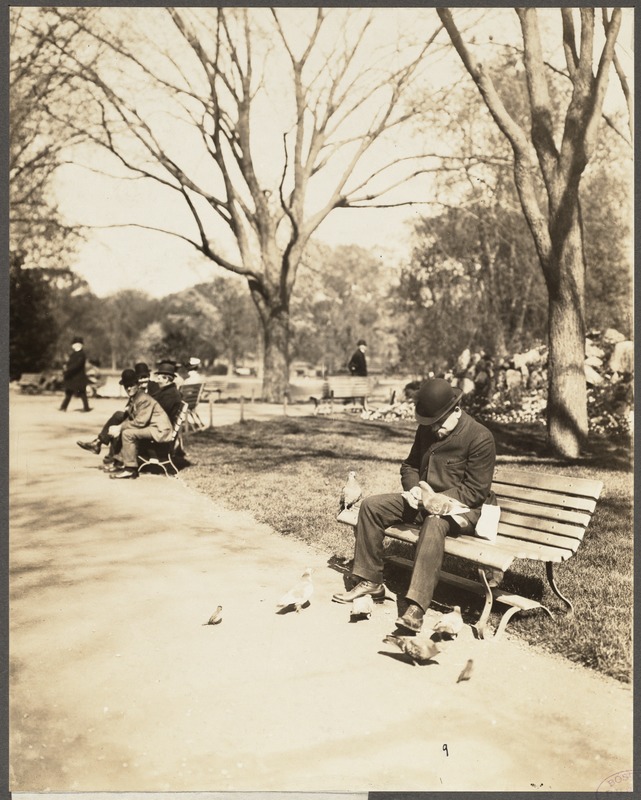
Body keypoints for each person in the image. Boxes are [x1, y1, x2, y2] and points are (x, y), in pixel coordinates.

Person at [332, 377, 496, 633]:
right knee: (372, 506)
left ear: (457, 410)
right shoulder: (427, 429)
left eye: (439, 423)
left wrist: (433, 500)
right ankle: (370, 580)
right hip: (421, 501)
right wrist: (414, 489)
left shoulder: (480, 437)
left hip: (460, 510)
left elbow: (475, 491)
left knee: (434, 522)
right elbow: (409, 466)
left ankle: (416, 608)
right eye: (431, 423)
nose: (435, 429)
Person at [107, 368, 173, 480]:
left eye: (131, 385)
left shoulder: (143, 398)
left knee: (127, 434)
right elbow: (132, 418)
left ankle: (130, 470)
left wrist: (120, 428)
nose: (128, 388)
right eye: (126, 386)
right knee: (124, 430)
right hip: (153, 427)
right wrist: (119, 427)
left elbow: (140, 422)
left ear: (137, 385)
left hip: (160, 430)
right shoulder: (136, 397)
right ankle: (120, 463)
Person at [59, 336, 92, 412]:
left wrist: (68, 370)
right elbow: (70, 364)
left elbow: (77, 365)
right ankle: (63, 407)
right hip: (72, 377)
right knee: (69, 392)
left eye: (74, 344)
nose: (73, 345)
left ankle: (86, 408)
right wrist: (66, 367)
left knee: (82, 393)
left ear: (78, 345)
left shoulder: (81, 354)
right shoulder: (73, 354)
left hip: (78, 378)